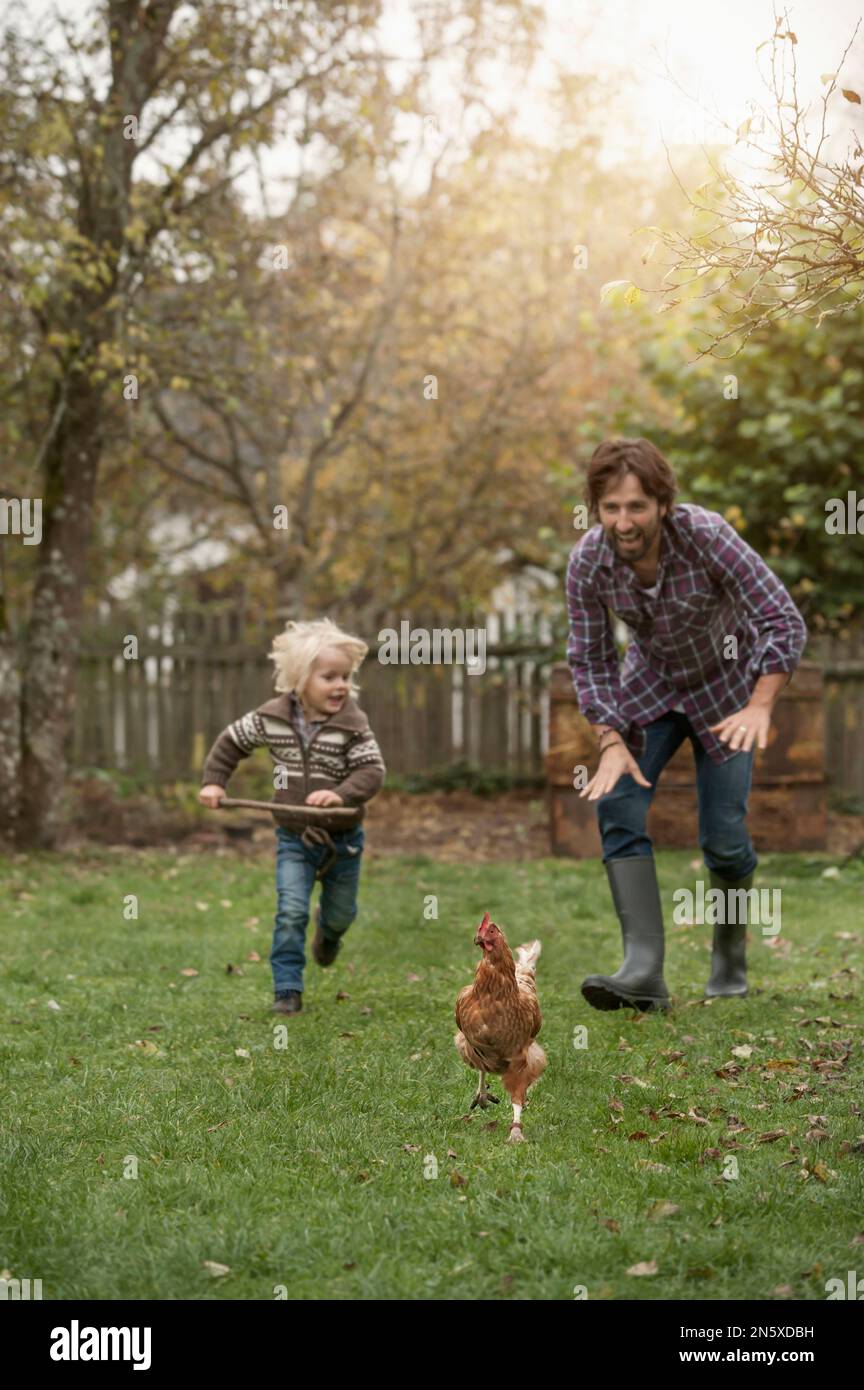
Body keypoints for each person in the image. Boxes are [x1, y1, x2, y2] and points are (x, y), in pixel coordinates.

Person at [565, 437, 807, 1011]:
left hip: (727, 689)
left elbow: (782, 620)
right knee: (616, 805)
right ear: (597, 509)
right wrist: (610, 739)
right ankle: (644, 971)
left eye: (637, 507)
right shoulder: (588, 562)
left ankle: (729, 953)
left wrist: (761, 704)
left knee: (722, 838)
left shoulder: (707, 536)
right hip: (649, 688)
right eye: (612, 508)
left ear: (663, 504)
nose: (624, 522)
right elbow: (591, 658)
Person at [199, 618, 386, 1015]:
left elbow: (372, 772)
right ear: (301, 679)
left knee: (340, 915)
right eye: (329, 677)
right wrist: (215, 782)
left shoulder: (352, 726)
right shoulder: (271, 718)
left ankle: (329, 934)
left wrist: (339, 794)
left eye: (345, 677)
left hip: (343, 840)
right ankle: (287, 989)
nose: (340, 685)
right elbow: (231, 742)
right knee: (290, 910)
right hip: (294, 838)